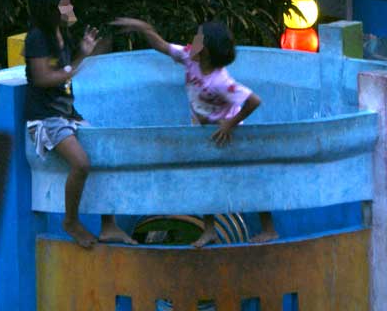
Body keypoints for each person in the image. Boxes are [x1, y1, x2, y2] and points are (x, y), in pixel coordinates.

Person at [111, 17, 279, 248]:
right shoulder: (190, 58)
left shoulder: (221, 81)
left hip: (226, 136)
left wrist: (230, 123)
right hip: (203, 134)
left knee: (246, 179)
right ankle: (209, 230)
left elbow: (253, 101)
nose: (193, 40)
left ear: (206, 50)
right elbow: (162, 46)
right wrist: (144, 28)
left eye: (198, 37)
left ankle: (269, 229)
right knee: (204, 179)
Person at [25, 0, 135, 248]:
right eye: (65, 3)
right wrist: (74, 67)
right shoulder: (38, 38)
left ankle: (109, 225)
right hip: (45, 118)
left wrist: (83, 52)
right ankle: (71, 221)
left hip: (66, 113)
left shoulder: (61, 34)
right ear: (51, 9)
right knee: (81, 163)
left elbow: (66, 70)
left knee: (104, 154)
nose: (71, 6)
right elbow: (42, 77)